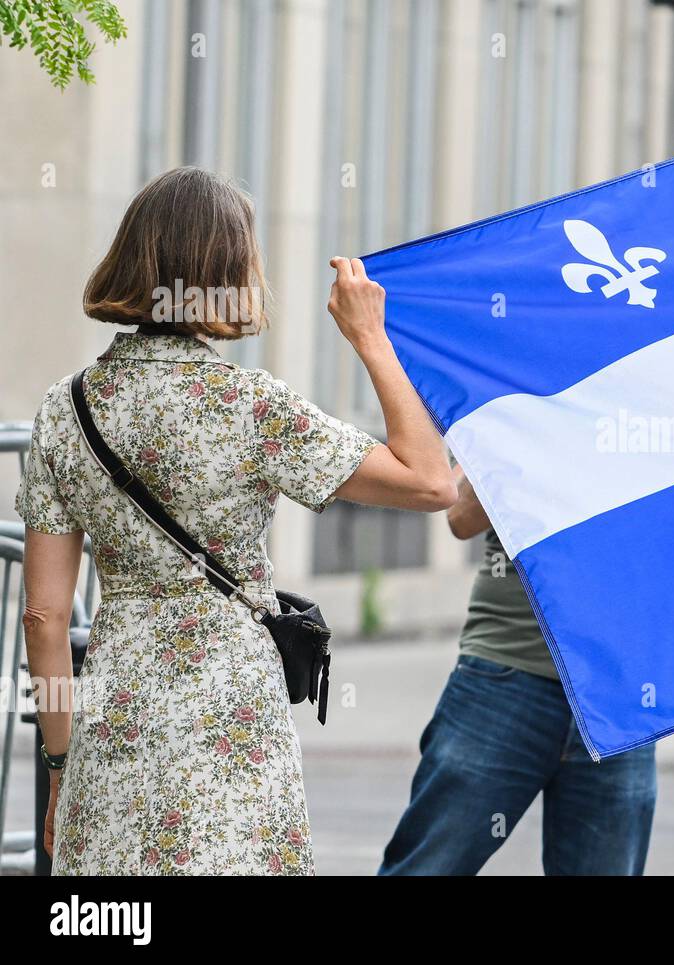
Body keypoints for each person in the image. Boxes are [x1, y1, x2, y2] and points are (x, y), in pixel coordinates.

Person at [18, 166, 457, 875]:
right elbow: (432, 480)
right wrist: (371, 338)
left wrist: (63, 767)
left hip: (113, 721)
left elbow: (42, 616)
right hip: (232, 737)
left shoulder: (64, 411)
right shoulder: (252, 408)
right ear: (229, 273)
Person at [379, 472, 657, 875]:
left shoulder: (662, 424)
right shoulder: (519, 407)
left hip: (621, 692)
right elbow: (460, 516)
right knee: (429, 866)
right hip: (506, 674)